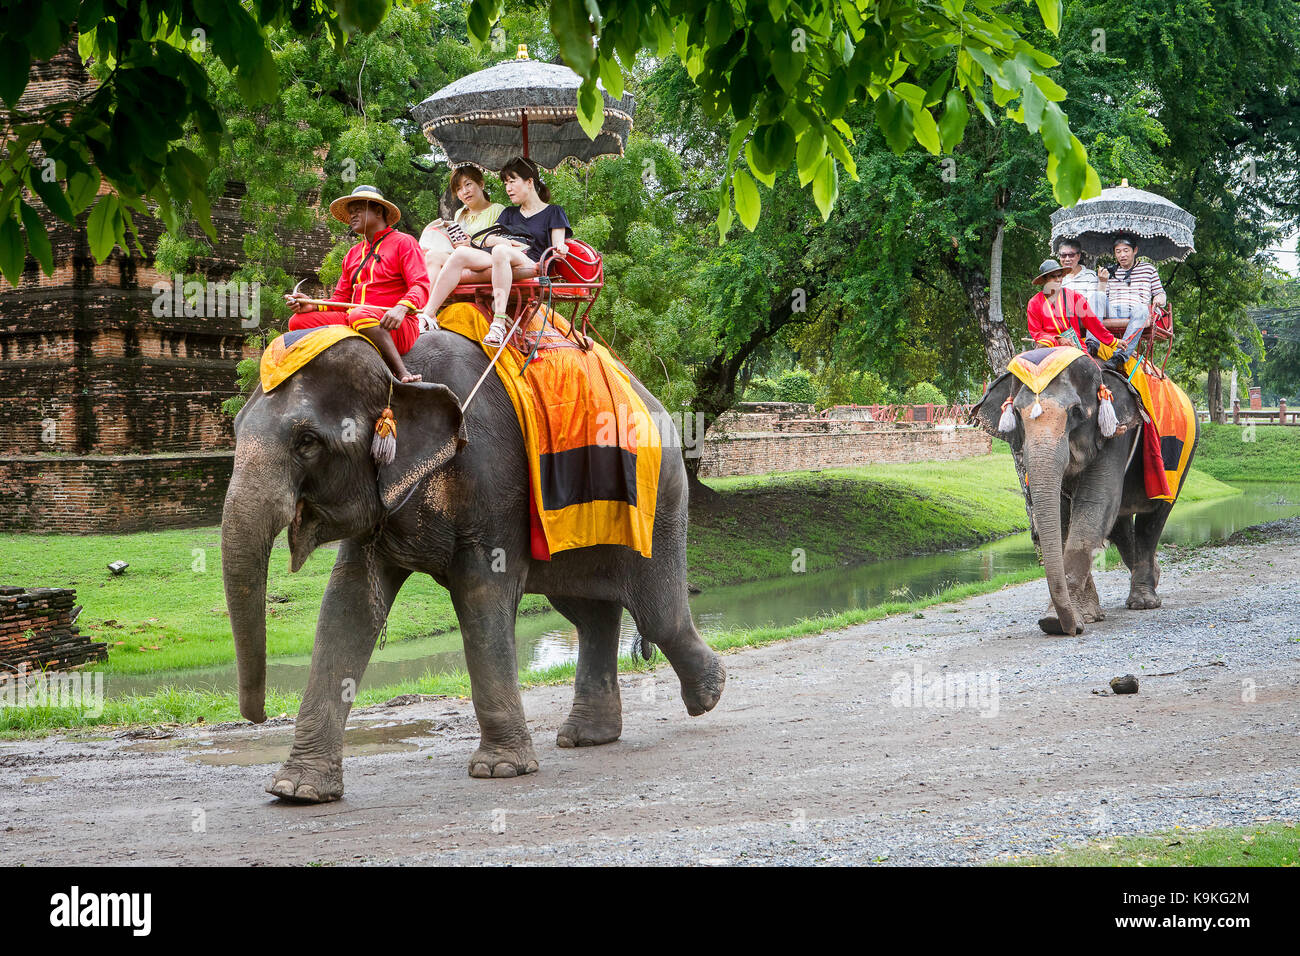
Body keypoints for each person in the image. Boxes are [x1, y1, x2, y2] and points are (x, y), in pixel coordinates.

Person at [284, 185, 429, 383]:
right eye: (351, 212)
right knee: (298, 322)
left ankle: (401, 373)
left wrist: (401, 308)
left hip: (395, 325)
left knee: (359, 314)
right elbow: (340, 300)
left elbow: (420, 285)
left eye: (358, 210)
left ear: (378, 211)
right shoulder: (352, 254)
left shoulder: (404, 242)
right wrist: (312, 305)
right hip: (356, 319)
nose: (352, 216)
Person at [421, 156, 571, 346]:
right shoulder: (509, 213)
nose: (508, 188)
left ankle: (498, 323)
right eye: (505, 183)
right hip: (501, 255)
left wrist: (561, 248)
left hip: (531, 259)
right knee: (461, 254)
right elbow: (488, 238)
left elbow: (557, 247)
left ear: (529, 182)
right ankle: (427, 314)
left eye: (512, 181)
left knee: (500, 250)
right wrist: (502, 241)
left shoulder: (553, 212)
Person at [418, 166, 506, 303]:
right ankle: (425, 307)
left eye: (468, 184)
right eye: (458, 189)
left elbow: (499, 244)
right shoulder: (460, 213)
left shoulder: (498, 210)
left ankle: (427, 308)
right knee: (431, 255)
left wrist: (472, 244)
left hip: (485, 259)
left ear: (481, 184)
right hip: (460, 259)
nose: (464, 192)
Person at [1026, 259, 1119, 359]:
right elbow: (1036, 332)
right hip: (1049, 347)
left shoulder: (1074, 297)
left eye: (1059, 276)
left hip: (1075, 346)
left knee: (1092, 369)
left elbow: (1092, 323)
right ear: (1044, 280)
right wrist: (1058, 339)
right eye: (1053, 277)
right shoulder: (1034, 303)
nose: (1058, 279)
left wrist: (1113, 341)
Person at [1098, 234, 1167, 359]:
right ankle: (1093, 344)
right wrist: (1102, 282)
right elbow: (1102, 298)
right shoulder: (1110, 271)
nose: (1122, 255)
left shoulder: (1148, 269)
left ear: (1135, 250)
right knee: (1095, 296)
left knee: (1142, 308)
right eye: (1118, 251)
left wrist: (1158, 299)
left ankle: (1120, 356)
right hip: (1113, 311)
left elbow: (1160, 293)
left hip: (1137, 311)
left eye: (1126, 250)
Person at [1056, 238, 1107, 319]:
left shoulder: (1090, 276)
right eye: (1063, 255)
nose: (1067, 259)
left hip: (1085, 319)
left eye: (1071, 255)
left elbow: (1092, 303)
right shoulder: (1057, 278)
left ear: (1078, 256)